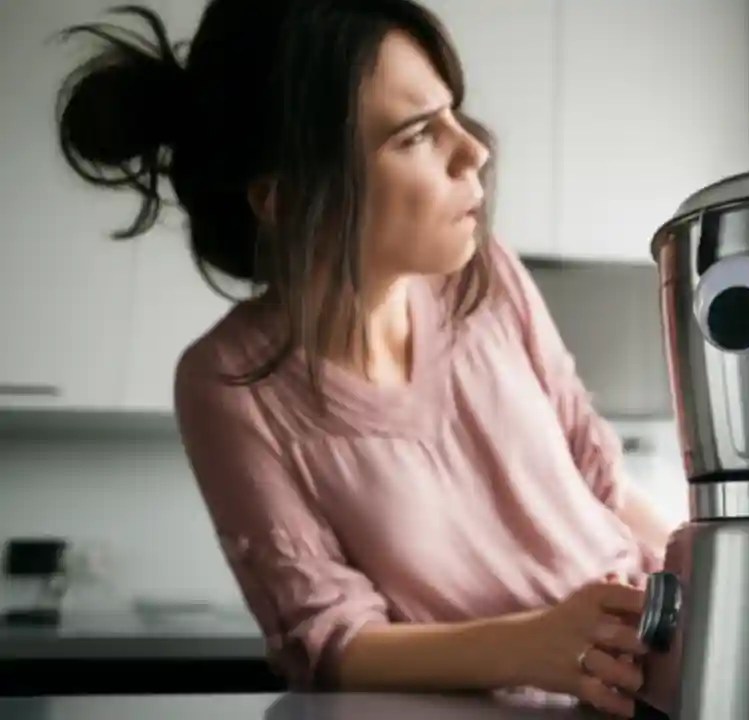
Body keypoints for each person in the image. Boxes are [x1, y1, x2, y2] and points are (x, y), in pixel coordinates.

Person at [54, 1, 674, 716]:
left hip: (648, 679)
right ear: (284, 200)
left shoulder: (490, 276)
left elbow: (601, 479)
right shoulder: (229, 385)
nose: (473, 151)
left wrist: (714, 579)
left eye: (453, 115)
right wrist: (540, 646)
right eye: (416, 135)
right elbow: (329, 640)